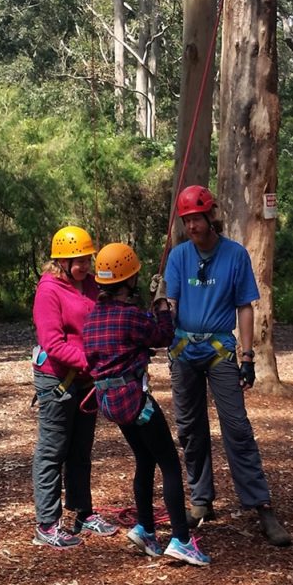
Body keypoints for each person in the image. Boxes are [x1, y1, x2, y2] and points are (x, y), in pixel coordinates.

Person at [163, 185, 291, 547]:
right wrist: (159, 317)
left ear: (211, 217)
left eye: (197, 219)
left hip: (220, 350)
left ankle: (260, 503)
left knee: (236, 426)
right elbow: (171, 302)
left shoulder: (234, 256)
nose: (192, 227)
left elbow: (245, 307)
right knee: (190, 428)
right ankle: (201, 501)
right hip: (184, 349)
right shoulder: (178, 257)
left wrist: (248, 357)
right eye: (187, 221)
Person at [83, 242, 210, 566]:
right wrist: (162, 303)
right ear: (128, 281)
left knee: (144, 458)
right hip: (134, 402)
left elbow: (115, 349)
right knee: (168, 463)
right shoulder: (131, 316)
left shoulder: (93, 318)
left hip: (110, 402)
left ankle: (146, 529)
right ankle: (181, 539)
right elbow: (163, 334)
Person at [31, 226, 118, 549]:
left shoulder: (93, 286)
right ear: (61, 262)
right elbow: (52, 343)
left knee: (81, 451)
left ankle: (83, 512)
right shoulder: (49, 291)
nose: (83, 265)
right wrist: (92, 363)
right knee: (53, 451)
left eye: (86, 258)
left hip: (86, 379)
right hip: (59, 380)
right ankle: (47, 523)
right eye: (76, 260)